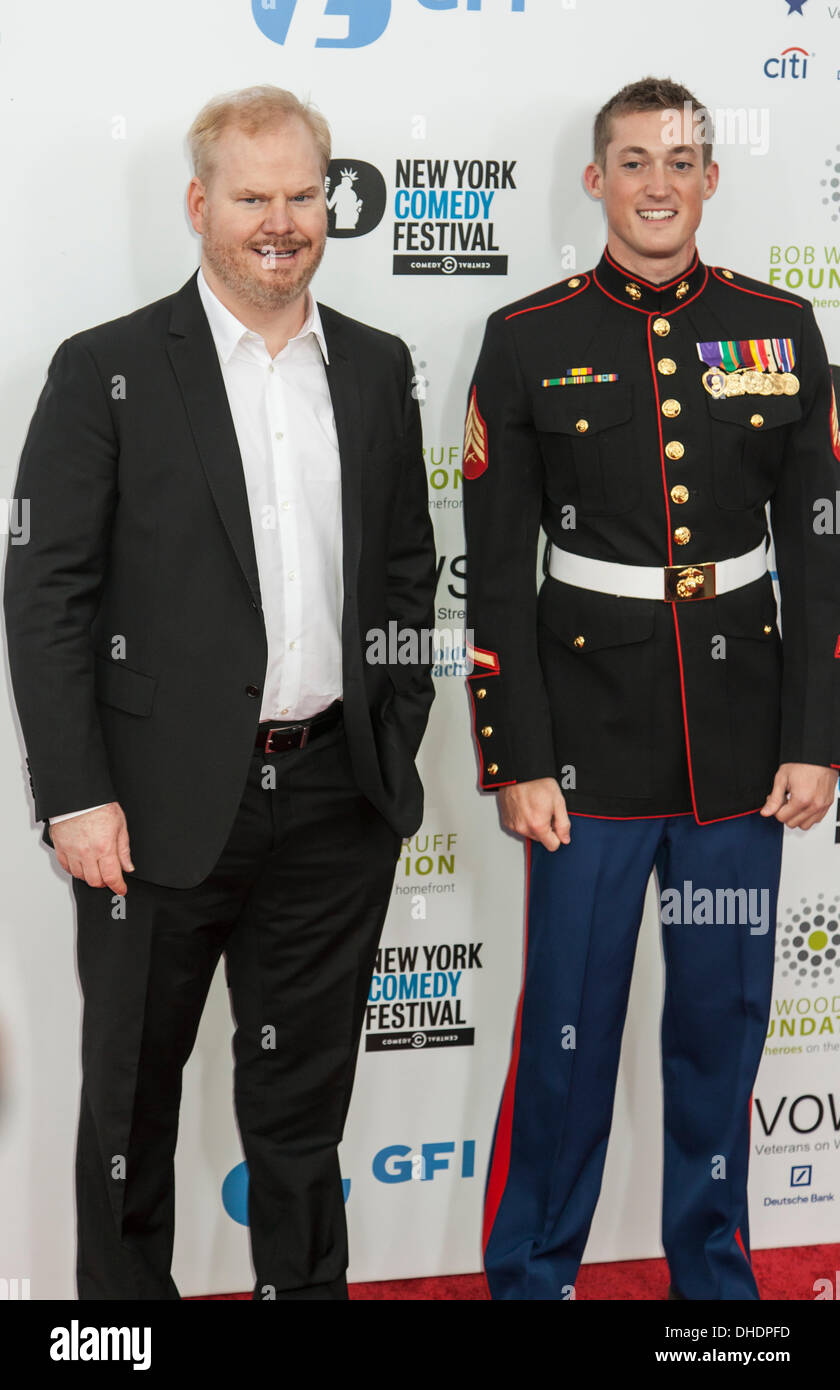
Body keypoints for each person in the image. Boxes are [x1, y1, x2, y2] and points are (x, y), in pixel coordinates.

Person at [4, 84, 436, 1301]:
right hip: (148, 818)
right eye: (253, 197)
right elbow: (46, 601)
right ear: (202, 205)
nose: (281, 221)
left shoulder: (376, 366)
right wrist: (77, 795)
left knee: (302, 1122)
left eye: (303, 195)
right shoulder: (107, 369)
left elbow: (408, 571)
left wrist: (393, 737)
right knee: (129, 1117)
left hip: (334, 803)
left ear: (329, 202)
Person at [462, 75, 840, 1301]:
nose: (658, 184)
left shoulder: (782, 327)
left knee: (722, 1028)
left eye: (680, 160)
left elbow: (821, 551)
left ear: (712, 178)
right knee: (568, 1037)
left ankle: (715, 1291)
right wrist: (515, 756)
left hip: (741, 753)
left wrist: (817, 735)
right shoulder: (529, 337)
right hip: (586, 748)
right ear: (596, 181)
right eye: (633, 161)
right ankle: (532, 1278)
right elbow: (498, 577)